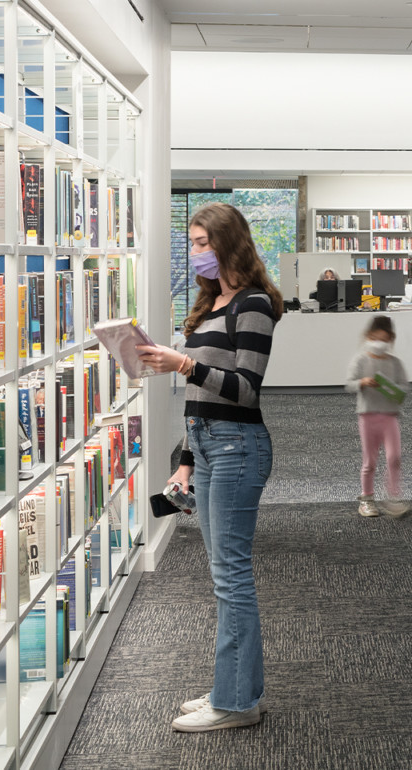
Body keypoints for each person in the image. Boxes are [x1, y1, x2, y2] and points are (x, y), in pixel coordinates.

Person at [137, 202, 281, 732]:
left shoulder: (255, 304)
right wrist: (185, 463)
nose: (194, 252)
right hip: (210, 445)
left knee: (231, 578)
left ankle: (237, 703)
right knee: (226, 577)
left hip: (240, 446)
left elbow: (245, 390)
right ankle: (235, 689)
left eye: (201, 243)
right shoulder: (210, 304)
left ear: (228, 244)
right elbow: (200, 400)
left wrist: (184, 363)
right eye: (191, 243)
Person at [347, 315, 412, 519]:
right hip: (367, 416)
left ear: (391, 339)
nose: (379, 343)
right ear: (368, 336)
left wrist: (395, 390)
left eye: (384, 339)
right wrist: (362, 382)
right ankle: (367, 499)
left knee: (394, 457)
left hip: (389, 417)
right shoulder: (361, 359)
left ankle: (393, 498)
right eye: (375, 338)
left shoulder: (395, 363)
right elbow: (349, 383)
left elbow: (404, 385)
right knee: (370, 461)